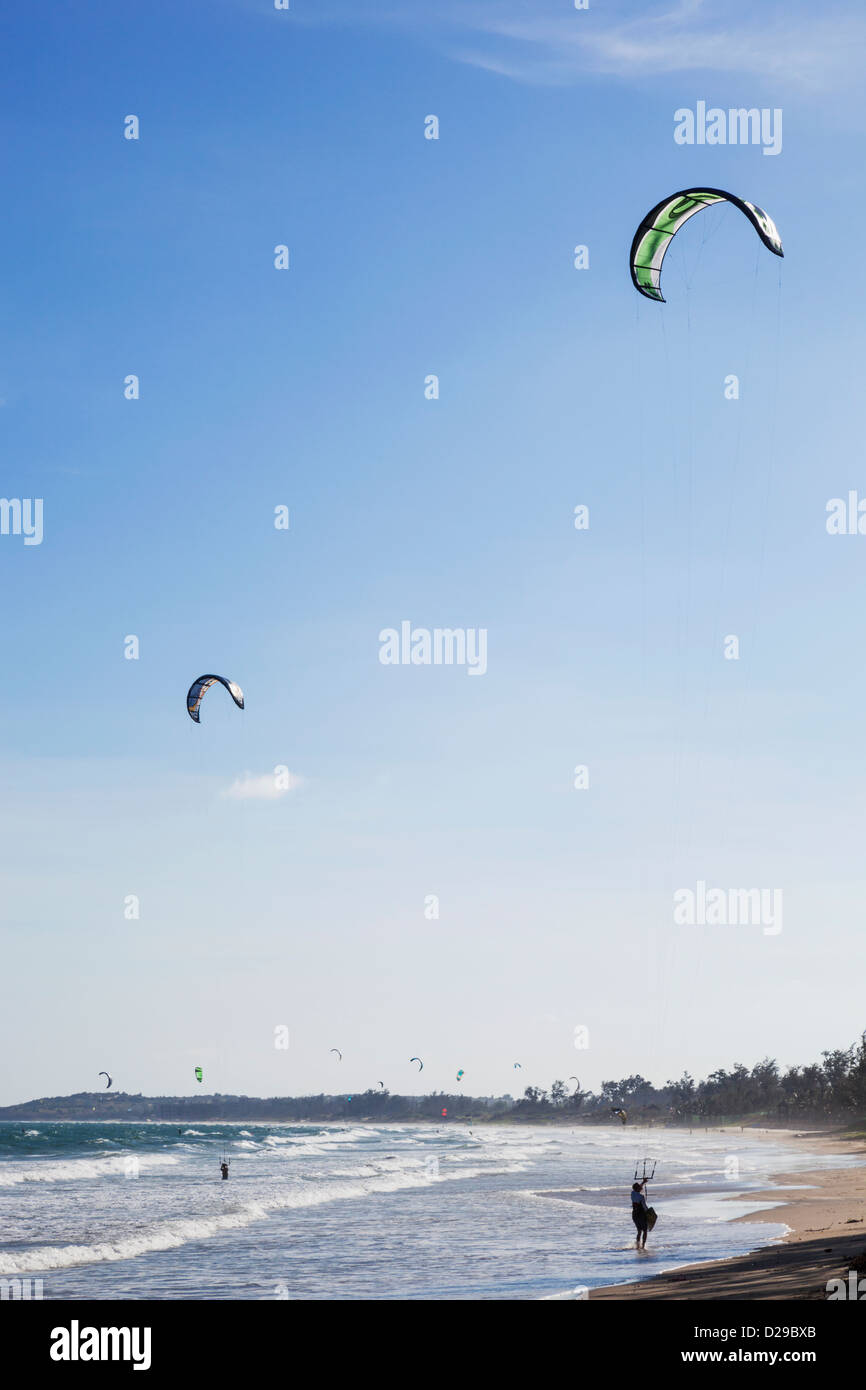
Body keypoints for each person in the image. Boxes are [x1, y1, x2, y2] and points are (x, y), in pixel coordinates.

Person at [631, 1179, 649, 1249]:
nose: (641, 1188)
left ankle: (638, 1245)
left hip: (634, 1215)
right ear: (638, 1188)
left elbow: (638, 1189)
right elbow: (644, 1207)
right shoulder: (641, 1197)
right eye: (639, 1187)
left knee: (639, 1231)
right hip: (641, 1214)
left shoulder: (632, 1193)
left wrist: (643, 1182)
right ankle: (643, 1246)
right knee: (644, 1230)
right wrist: (649, 1212)